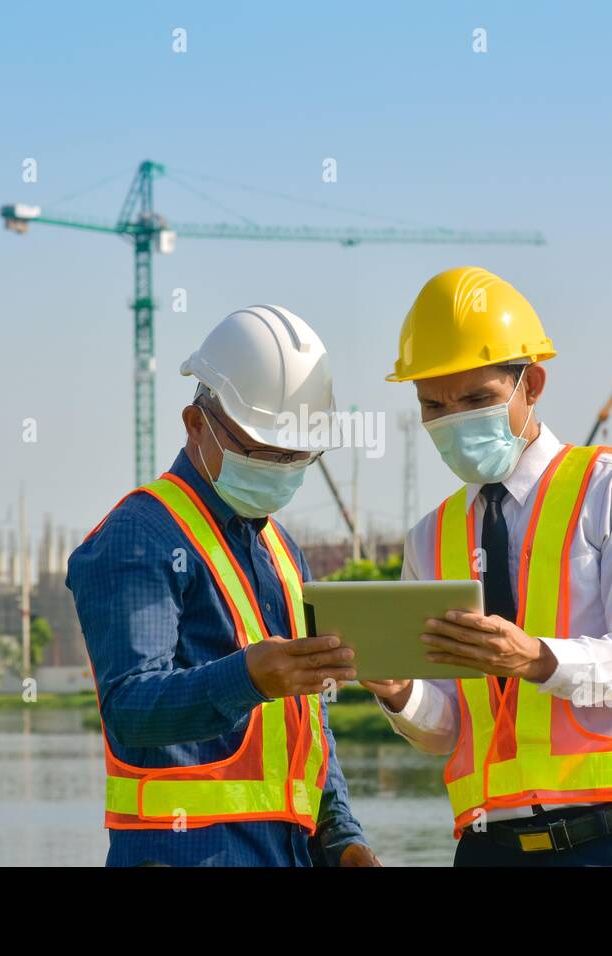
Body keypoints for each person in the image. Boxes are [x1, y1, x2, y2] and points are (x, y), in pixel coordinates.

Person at [361, 267, 612, 866]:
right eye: (433, 405)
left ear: (532, 383)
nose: (453, 420)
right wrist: (399, 693)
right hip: (491, 848)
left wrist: (535, 657)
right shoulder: (428, 539)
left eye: (476, 400)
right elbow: (448, 729)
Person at [68, 304, 380, 867]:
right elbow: (130, 708)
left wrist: (340, 836)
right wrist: (247, 678)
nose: (282, 469)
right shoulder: (139, 536)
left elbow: (308, 722)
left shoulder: (282, 551)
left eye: (297, 456)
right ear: (195, 424)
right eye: (264, 453)